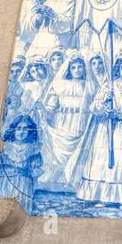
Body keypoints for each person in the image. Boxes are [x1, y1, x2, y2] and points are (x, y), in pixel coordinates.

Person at [74, 55, 122, 206]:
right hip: (106, 127)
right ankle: (102, 197)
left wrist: (120, 114)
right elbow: (94, 106)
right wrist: (105, 108)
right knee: (102, 159)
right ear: (118, 68)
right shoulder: (109, 85)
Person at [36, 55, 97, 193]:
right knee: (57, 153)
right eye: (73, 67)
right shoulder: (60, 85)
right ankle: (54, 181)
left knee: (76, 154)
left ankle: (71, 182)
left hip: (79, 123)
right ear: (69, 69)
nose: (77, 70)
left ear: (85, 68)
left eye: (80, 67)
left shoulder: (91, 86)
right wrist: (43, 109)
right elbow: (51, 107)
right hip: (61, 123)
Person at [0, 114, 43, 205]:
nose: (21, 132)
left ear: (30, 132)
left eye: (25, 129)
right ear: (14, 130)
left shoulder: (33, 150)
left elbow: (35, 174)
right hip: (3, 182)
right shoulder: (5, 147)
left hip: (23, 184)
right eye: (19, 128)